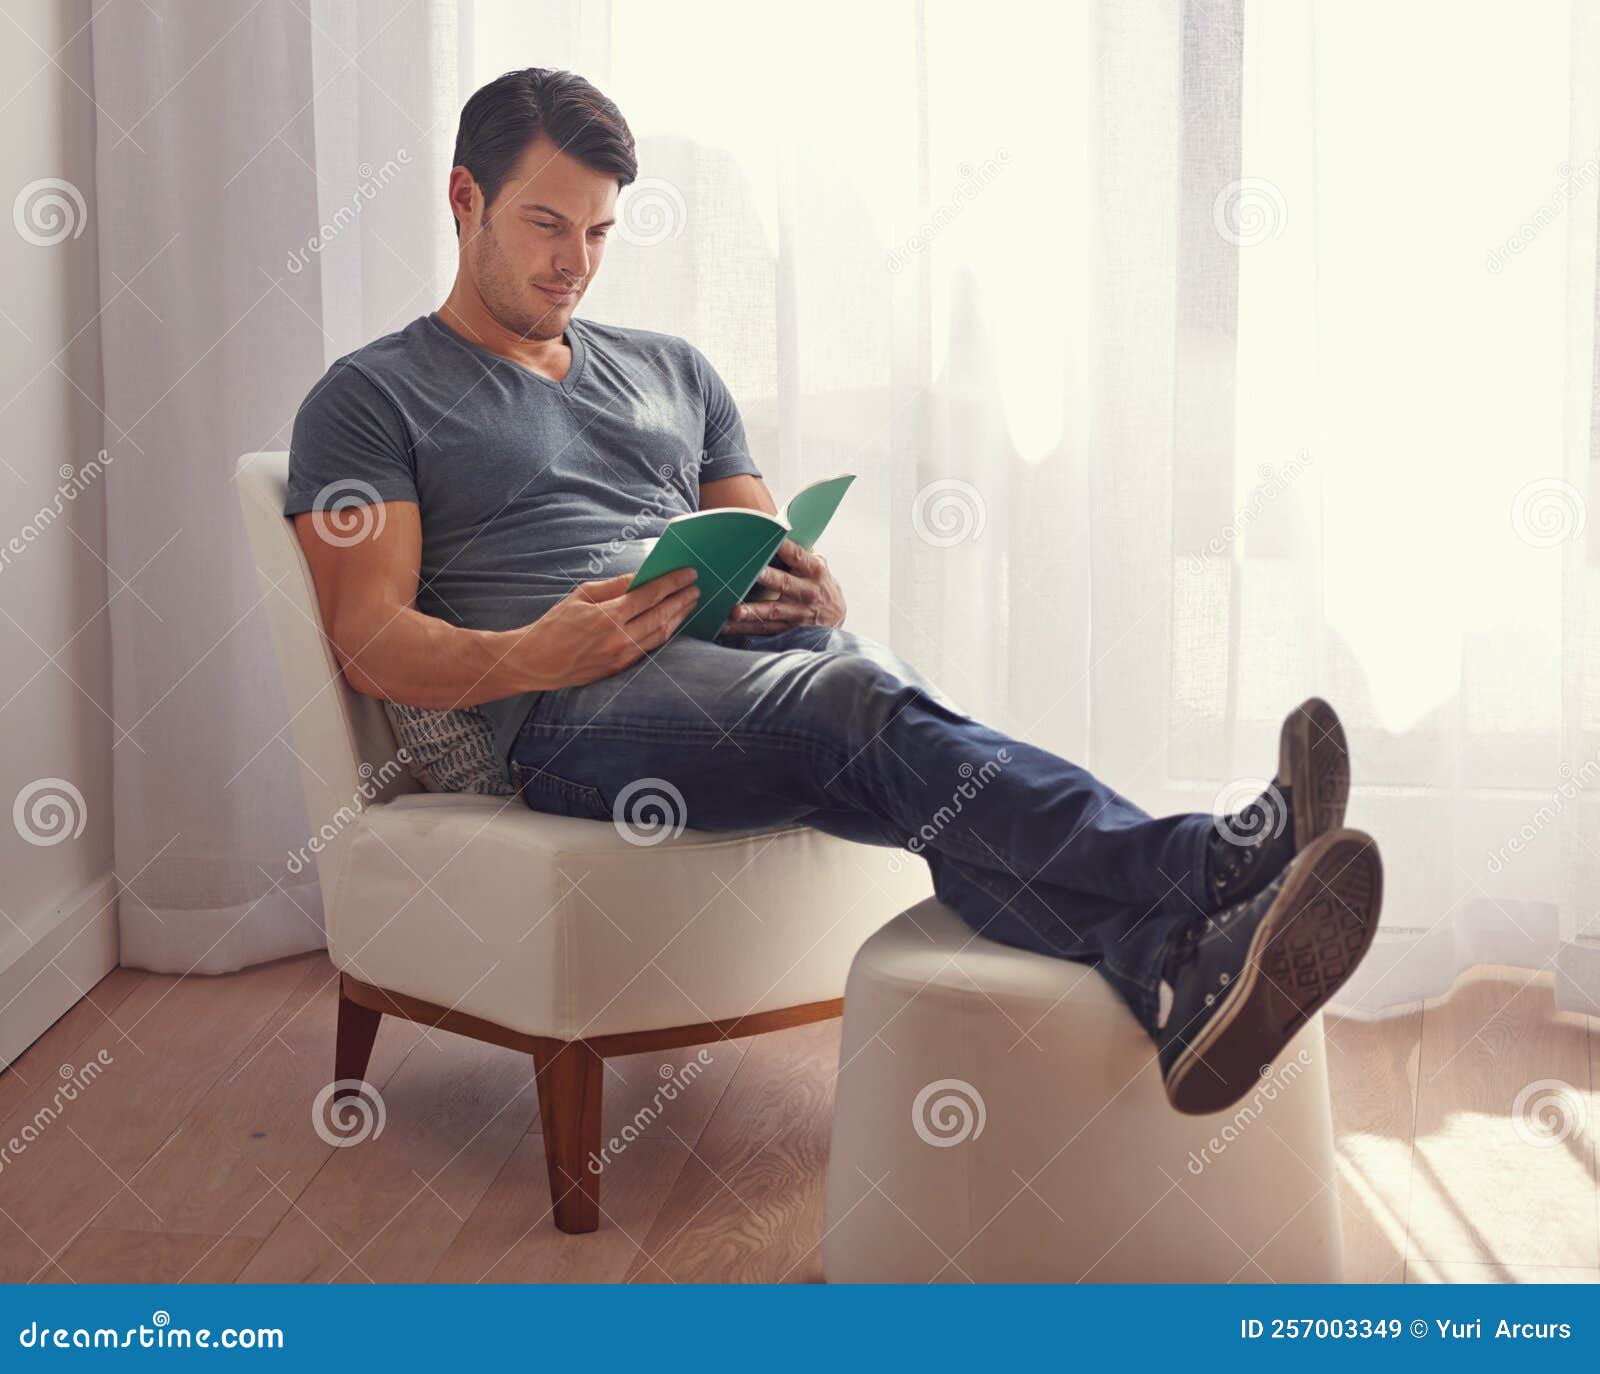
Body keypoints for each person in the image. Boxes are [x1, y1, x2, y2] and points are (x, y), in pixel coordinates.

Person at [285, 68, 1382, 1117]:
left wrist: (812, 593)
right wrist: (539, 653)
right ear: (463, 198)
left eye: (600, 232)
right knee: (862, 711)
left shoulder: (675, 371)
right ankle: (1202, 865)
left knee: (883, 709)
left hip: (740, 673)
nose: (576, 261)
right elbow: (368, 638)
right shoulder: (371, 398)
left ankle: (1167, 972)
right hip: (567, 718)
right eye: (544, 224)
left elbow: (765, 545)